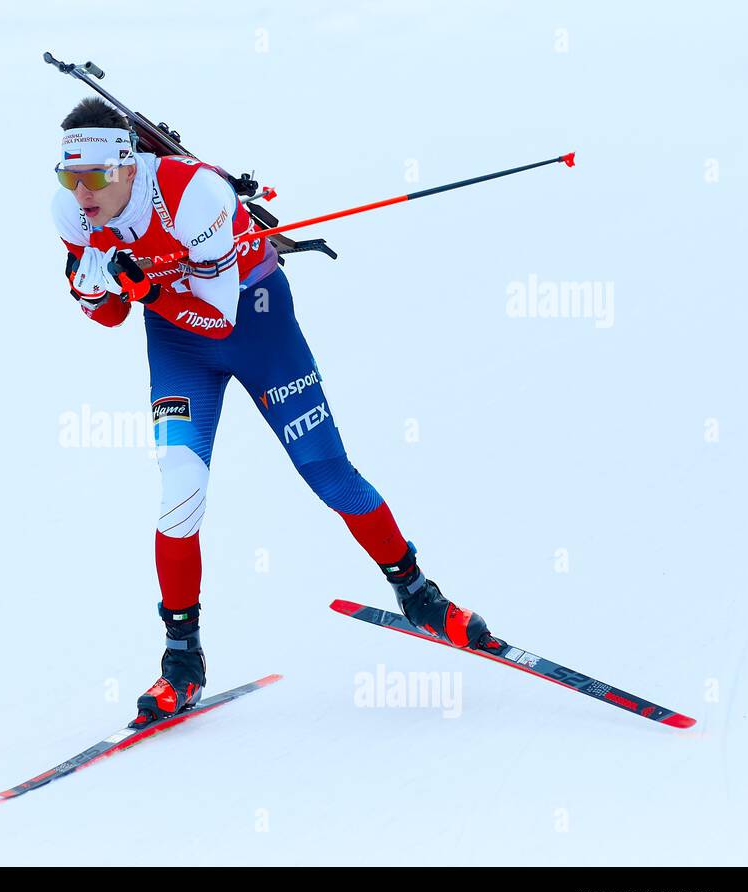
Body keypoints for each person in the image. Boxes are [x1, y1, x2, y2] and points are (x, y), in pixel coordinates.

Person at [51, 97, 500, 728]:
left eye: (94, 176)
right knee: (179, 493)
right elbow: (110, 314)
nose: (81, 191)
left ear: (127, 165)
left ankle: (417, 593)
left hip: (257, 326)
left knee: (327, 472)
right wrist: (96, 289)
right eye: (68, 176)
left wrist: (145, 287)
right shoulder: (70, 212)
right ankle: (182, 662)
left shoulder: (193, 196)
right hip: (179, 350)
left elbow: (219, 317)